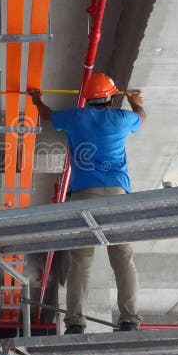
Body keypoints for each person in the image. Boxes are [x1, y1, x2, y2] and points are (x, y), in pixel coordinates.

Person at [29, 73, 146, 334]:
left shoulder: (75, 117)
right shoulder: (122, 118)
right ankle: (129, 320)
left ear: (87, 98)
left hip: (84, 197)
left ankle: (75, 323)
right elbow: (141, 118)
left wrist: (37, 100)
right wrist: (135, 102)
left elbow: (48, 115)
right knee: (123, 259)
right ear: (111, 98)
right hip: (117, 195)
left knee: (80, 262)